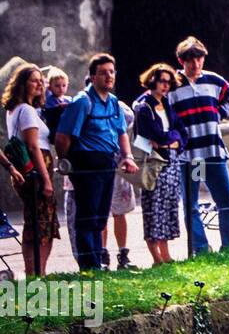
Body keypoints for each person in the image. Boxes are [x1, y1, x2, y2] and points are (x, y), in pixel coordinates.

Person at [54, 54, 138, 270]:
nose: (109, 76)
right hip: (86, 161)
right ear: (92, 77)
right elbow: (62, 137)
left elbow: (121, 133)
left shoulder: (113, 103)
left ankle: (97, 262)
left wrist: (127, 156)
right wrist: (67, 163)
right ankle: (89, 265)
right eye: (103, 72)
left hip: (107, 161)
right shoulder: (83, 102)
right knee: (87, 216)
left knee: (101, 215)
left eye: (111, 72)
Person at [170, 37, 229, 255]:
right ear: (181, 60)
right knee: (191, 203)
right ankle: (200, 247)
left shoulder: (213, 80)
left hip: (213, 151)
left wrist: (217, 114)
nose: (196, 64)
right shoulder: (173, 84)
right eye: (190, 59)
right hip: (191, 156)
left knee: (226, 199)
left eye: (199, 58)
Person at [3, 64, 59, 277]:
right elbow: (34, 146)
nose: (40, 84)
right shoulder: (25, 110)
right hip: (36, 168)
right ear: (22, 83)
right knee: (41, 222)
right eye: (34, 80)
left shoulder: (16, 109)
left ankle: (35, 272)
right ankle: (37, 272)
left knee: (35, 221)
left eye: (40, 80)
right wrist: (46, 179)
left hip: (26, 170)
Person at [133, 64, 184, 266]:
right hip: (154, 161)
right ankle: (156, 257)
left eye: (168, 82)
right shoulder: (143, 106)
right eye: (162, 81)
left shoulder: (167, 105)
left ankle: (166, 254)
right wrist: (169, 139)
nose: (165, 85)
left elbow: (182, 133)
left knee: (169, 206)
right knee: (153, 208)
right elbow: (155, 135)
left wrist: (171, 140)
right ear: (153, 80)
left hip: (171, 161)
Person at [106, 100, 138, 269]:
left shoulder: (116, 105)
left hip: (119, 164)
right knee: (101, 215)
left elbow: (129, 118)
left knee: (120, 213)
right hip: (100, 162)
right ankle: (102, 253)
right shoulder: (86, 104)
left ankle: (123, 253)